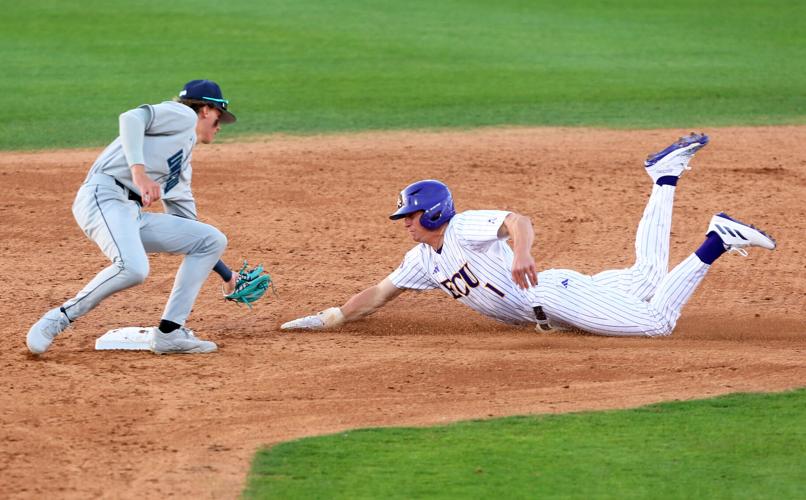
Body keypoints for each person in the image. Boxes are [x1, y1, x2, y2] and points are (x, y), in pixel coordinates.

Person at [281, 133, 777, 336]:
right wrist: (331, 317)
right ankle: (665, 176)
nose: (405, 223)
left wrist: (521, 253)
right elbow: (379, 293)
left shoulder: (464, 227)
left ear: (433, 214)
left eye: (410, 216)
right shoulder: (422, 261)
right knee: (647, 275)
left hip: (555, 296)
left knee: (657, 324)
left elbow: (518, 221)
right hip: (556, 297)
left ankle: (717, 240)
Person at [27, 79, 243, 355]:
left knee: (211, 239)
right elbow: (131, 118)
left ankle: (170, 334)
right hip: (103, 196)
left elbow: (189, 227)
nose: (219, 125)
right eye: (218, 117)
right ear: (205, 110)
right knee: (133, 268)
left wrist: (226, 274)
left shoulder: (181, 163)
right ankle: (57, 319)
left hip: (129, 213)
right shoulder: (182, 115)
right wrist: (139, 173)